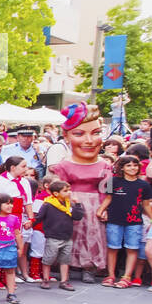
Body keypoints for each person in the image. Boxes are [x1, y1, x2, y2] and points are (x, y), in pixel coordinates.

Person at [52, 103, 110, 282]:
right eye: (79, 133)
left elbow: (108, 189)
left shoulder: (105, 165)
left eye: (96, 133)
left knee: (92, 236)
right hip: (71, 203)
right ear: (66, 136)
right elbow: (58, 188)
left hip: (95, 206)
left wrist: (104, 207)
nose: (89, 140)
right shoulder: (63, 165)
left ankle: (89, 267)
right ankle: (65, 266)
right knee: (69, 235)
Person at [98, 153, 152, 287]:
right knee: (112, 247)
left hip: (135, 222)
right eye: (128, 165)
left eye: (135, 165)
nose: (132, 168)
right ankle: (111, 275)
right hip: (114, 219)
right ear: (122, 168)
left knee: (132, 248)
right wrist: (100, 210)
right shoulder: (113, 181)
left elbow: (146, 205)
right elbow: (108, 198)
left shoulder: (144, 185)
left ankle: (127, 277)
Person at [33, 180, 83, 291]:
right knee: (48, 259)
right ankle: (45, 279)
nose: (69, 193)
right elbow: (39, 217)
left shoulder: (69, 204)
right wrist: (30, 223)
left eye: (69, 190)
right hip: (53, 236)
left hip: (67, 236)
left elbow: (78, 216)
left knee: (65, 260)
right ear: (56, 193)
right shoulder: (48, 204)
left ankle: (64, 281)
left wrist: (78, 204)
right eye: (65, 191)